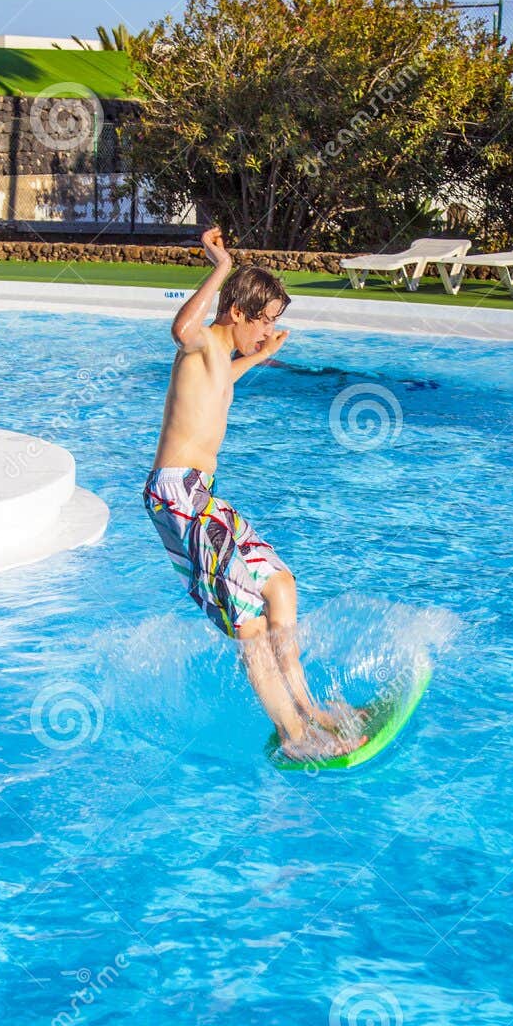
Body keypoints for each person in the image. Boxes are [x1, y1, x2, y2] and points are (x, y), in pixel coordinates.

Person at [143, 227, 364, 756]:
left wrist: (261, 355)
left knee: (280, 585)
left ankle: (310, 708)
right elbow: (181, 327)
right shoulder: (200, 342)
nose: (268, 329)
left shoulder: (220, 357)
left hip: (204, 494)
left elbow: (226, 379)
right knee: (249, 623)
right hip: (177, 496)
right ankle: (294, 736)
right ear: (236, 311)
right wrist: (220, 267)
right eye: (264, 320)